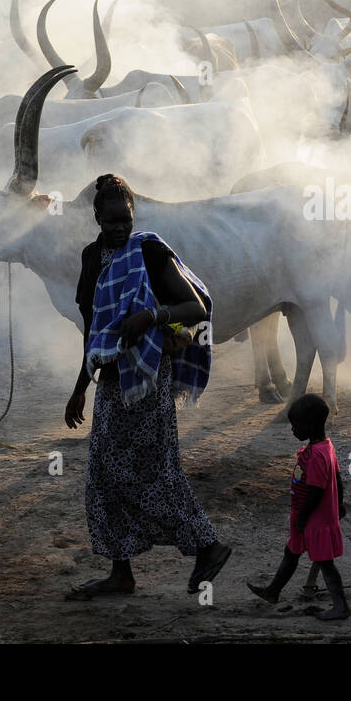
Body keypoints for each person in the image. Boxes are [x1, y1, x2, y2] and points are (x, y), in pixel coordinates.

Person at [64, 174, 232, 599]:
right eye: (111, 220)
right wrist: (80, 385)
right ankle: (121, 573)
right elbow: (94, 329)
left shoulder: (149, 250)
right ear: (97, 217)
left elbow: (195, 305)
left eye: (126, 219)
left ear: (134, 215)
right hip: (111, 381)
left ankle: (208, 546)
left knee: (154, 474)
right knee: (103, 476)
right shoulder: (91, 258)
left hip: (148, 381)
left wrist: (151, 316)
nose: (119, 227)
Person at [247, 394, 350, 620]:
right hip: (307, 516)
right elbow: (337, 478)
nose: (293, 429)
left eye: (296, 425)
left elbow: (316, 491)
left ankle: (341, 606)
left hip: (314, 518)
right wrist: (340, 502)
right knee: (291, 551)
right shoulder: (325, 447)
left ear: (310, 425)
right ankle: (273, 591)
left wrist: (303, 517)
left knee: (325, 562)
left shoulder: (316, 456)